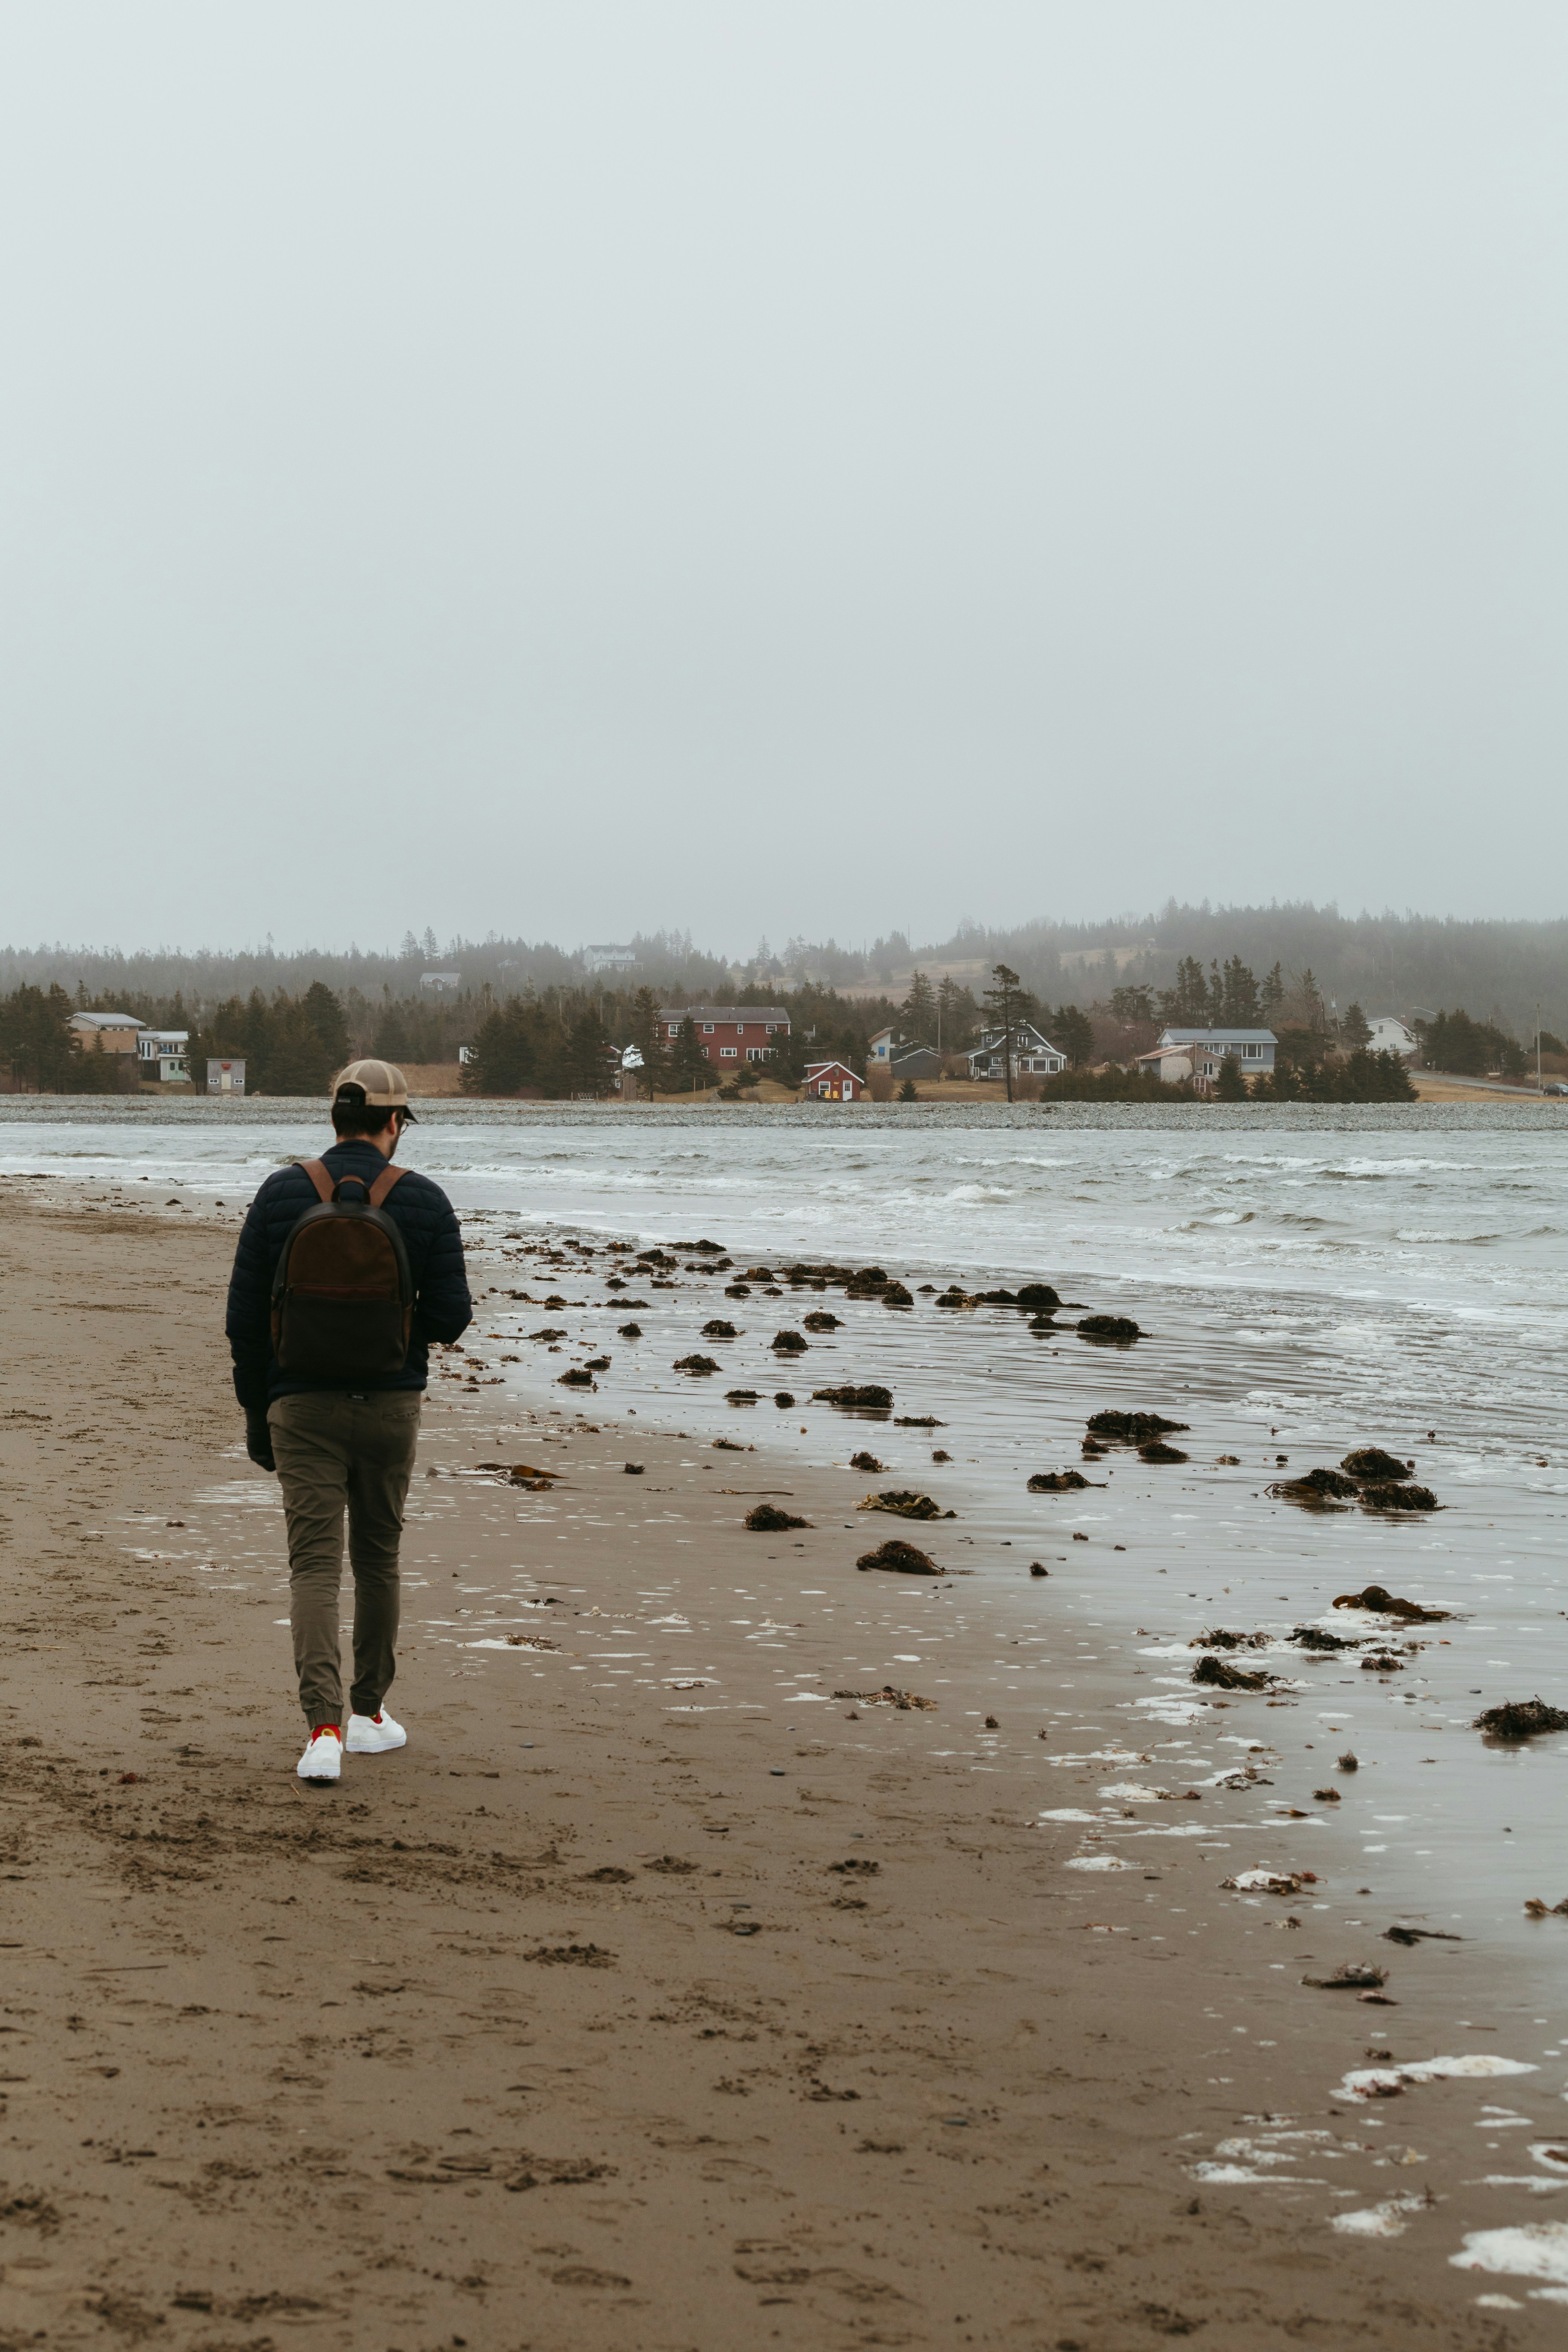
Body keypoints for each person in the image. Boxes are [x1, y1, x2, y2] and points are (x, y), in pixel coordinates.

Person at [225, 1060, 472, 1783]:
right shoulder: (424, 1199)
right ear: (395, 1123)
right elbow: (451, 1317)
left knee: (313, 1565)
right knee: (378, 1557)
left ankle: (322, 1730)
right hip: (391, 1405)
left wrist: (257, 1415)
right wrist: (397, 1335)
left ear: (335, 1119)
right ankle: (368, 1714)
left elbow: (244, 1322)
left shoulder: (280, 1194)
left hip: (297, 1403)